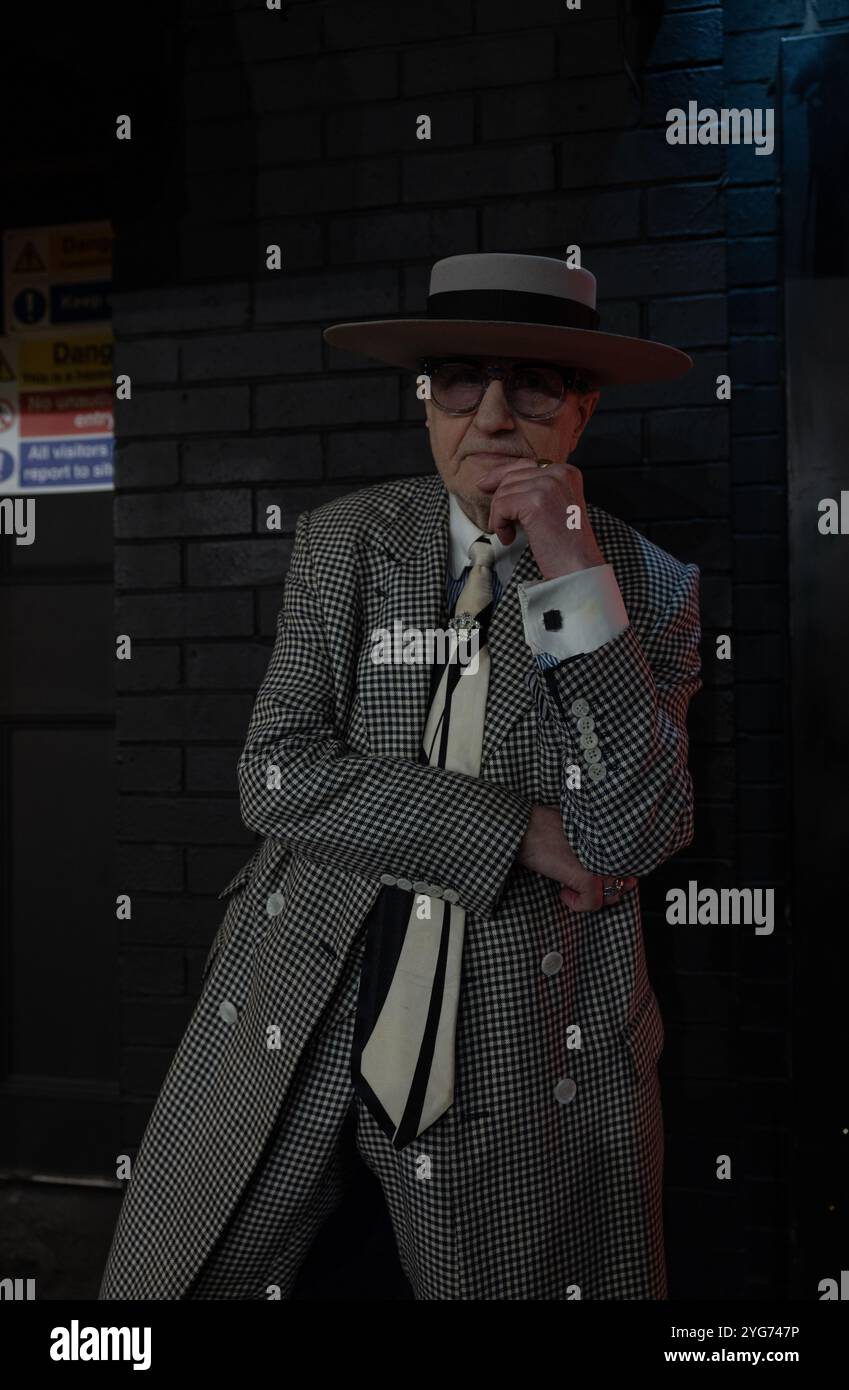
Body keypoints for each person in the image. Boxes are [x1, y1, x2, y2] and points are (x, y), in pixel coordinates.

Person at [100, 251, 702, 1301]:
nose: (495, 413)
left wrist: (567, 569)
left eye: (534, 384)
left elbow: (627, 835)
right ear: (428, 402)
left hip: (518, 1041)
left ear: (583, 409)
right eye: (461, 377)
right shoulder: (347, 543)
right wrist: (515, 827)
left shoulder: (646, 587)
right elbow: (277, 775)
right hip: (302, 987)